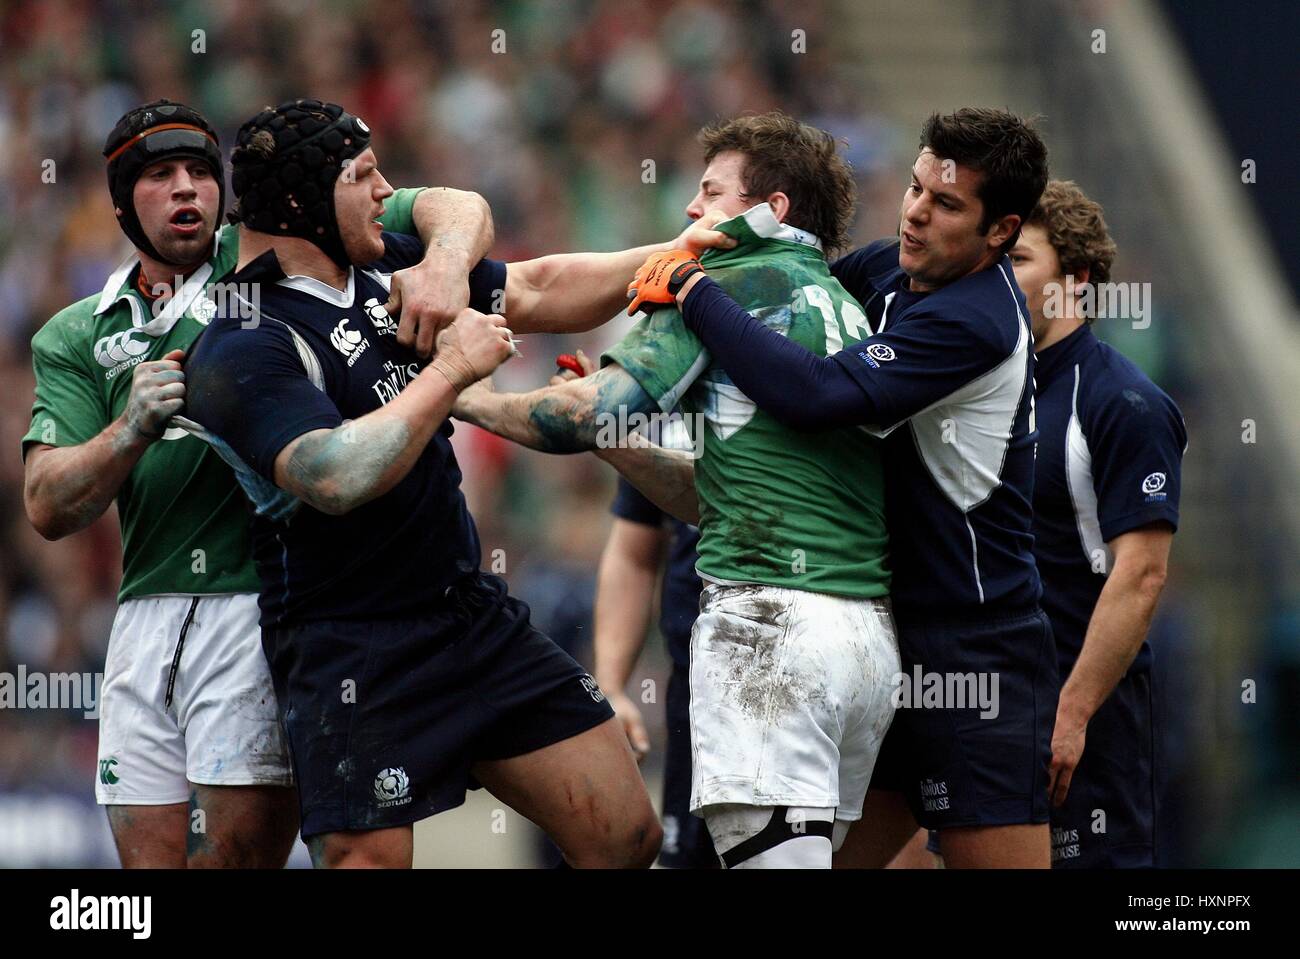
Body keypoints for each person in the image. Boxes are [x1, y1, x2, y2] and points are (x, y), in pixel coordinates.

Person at [182, 99, 710, 868]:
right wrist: (455, 369)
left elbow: (539, 286)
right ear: (301, 203)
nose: (384, 190)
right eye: (363, 176)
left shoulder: (386, 263)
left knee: (626, 834)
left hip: (467, 612)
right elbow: (335, 475)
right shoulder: (240, 341)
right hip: (351, 642)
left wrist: (682, 253)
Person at [21, 99, 491, 867]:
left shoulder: (279, 251)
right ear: (117, 203)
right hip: (141, 620)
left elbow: (452, 205)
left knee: (238, 859)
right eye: (161, 175)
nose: (188, 190)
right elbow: (47, 504)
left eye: (203, 173)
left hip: (255, 605)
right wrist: (129, 429)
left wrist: (441, 265)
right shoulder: (78, 332)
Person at [455, 113, 899, 869]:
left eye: (710, 192)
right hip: (861, 645)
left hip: (768, 633)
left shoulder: (722, 280)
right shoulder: (842, 305)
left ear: (772, 209)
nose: (690, 211)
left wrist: (464, 393)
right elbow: (728, 494)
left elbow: (580, 414)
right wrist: (621, 448)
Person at [636, 107, 1056, 868]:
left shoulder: (979, 320)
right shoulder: (889, 267)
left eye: (948, 204)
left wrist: (692, 289)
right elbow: (777, 288)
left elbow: (817, 393)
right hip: (879, 630)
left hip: (975, 654)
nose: (918, 212)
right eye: (917, 188)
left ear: (1002, 232)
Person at [1008, 180, 1184, 867]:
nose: (997, 278)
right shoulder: (979, 392)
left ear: (1074, 280)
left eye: (1018, 260)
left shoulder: (1124, 402)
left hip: (1084, 732)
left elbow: (1141, 574)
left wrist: (1072, 712)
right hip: (987, 720)